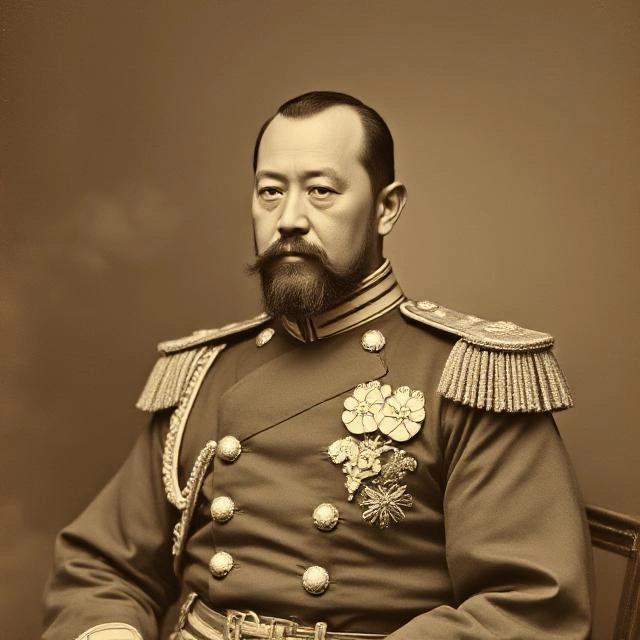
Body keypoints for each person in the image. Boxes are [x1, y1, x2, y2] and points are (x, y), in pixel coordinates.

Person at [43, 91, 593, 640]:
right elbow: (101, 565)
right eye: (270, 191)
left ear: (386, 208)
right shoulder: (204, 372)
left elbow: (529, 606)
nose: (288, 219)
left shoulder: (472, 376)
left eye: (321, 191)